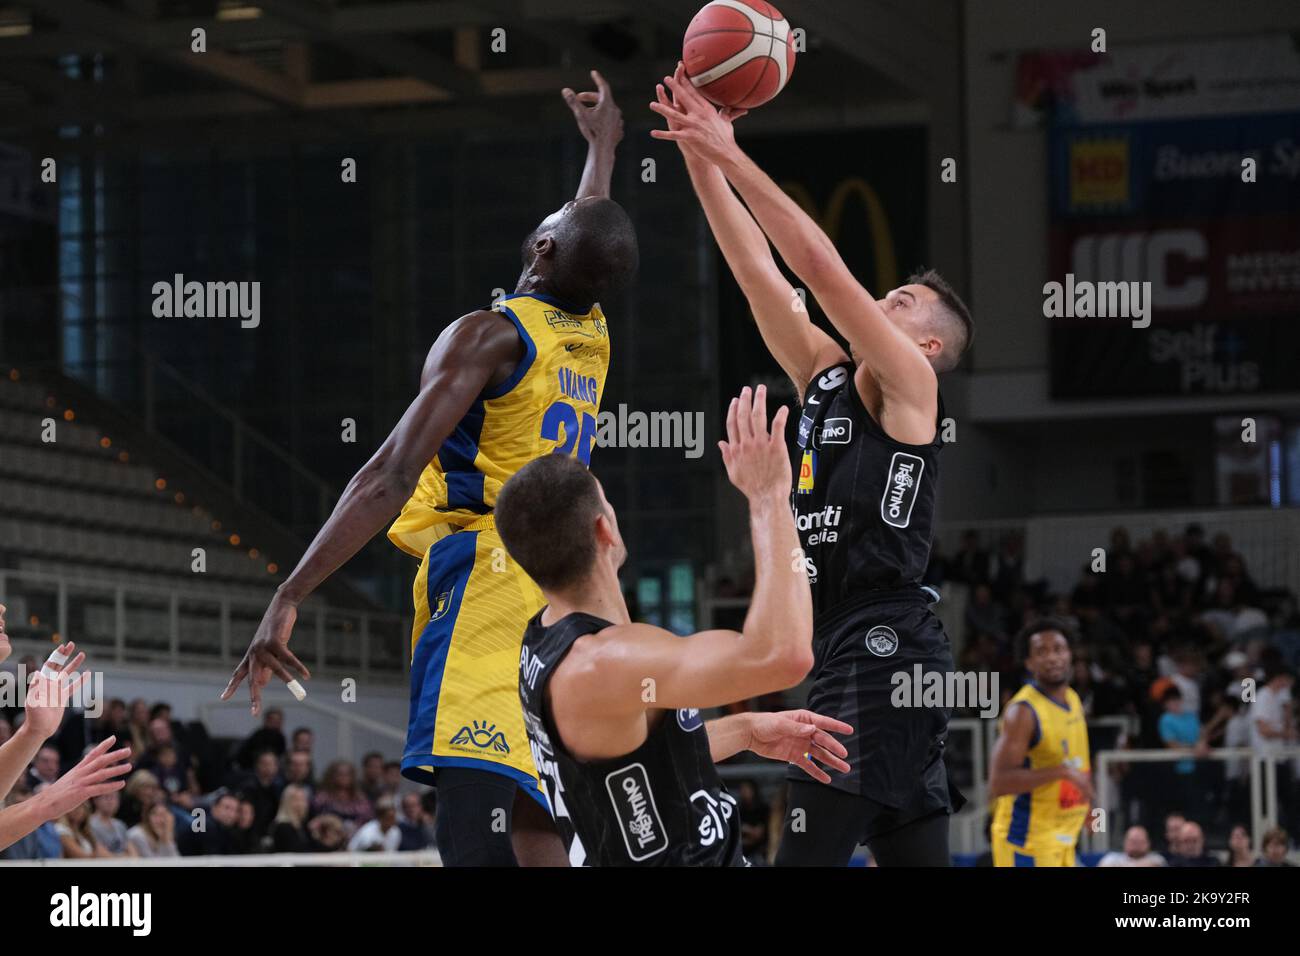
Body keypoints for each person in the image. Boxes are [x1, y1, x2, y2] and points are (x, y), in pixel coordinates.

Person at [223, 71, 637, 870]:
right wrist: (603, 149)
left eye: (554, 220)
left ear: (543, 248)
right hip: (571, 586)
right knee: (537, 815)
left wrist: (290, 593)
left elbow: (388, 474)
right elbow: (593, 232)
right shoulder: (592, 330)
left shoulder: (488, 336)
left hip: (490, 574)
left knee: (471, 811)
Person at [651, 64, 970, 867]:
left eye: (901, 303)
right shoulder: (824, 374)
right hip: (847, 645)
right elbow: (760, 273)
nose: (883, 301)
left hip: (883, 648)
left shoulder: (912, 386)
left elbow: (822, 271)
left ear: (928, 345)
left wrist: (732, 153)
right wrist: (699, 153)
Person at [498, 387, 851, 866]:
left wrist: (745, 730)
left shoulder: (546, 640)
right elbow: (783, 656)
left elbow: (632, 755)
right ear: (605, 529)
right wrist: (768, 497)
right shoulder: (603, 661)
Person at [988, 620, 1093, 867]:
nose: (1052, 657)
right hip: (1027, 846)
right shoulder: (1023, 712)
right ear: (1029, 663)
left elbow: (1081, 766)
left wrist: (1093, 814)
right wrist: (1062, 772)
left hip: (1064, 841)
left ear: (1070, 654)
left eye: (1058, 649)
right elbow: (999, 783)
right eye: (1041, 652)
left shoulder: (1073, 699)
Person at [270, 783, 316, 853]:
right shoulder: (283, 827)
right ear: (286, 802)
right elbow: (298, 852)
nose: (301, 804)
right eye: (296, 800)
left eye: (303, 799)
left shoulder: (302, 825)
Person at [88, 791, 133, 857]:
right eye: (106, 797)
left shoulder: (120, 825)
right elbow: (99, 852)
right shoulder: (89, 824)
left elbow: (132, 852)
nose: (110, 801)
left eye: (114, 797)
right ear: (95, 800)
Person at [1097, 826, 1165, 867]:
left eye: (1140, 842)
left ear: (1148, 843)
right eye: (1133, 842)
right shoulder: (1111, 858)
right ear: (1124, 842)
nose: (1136, 846)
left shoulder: (1156, 859)